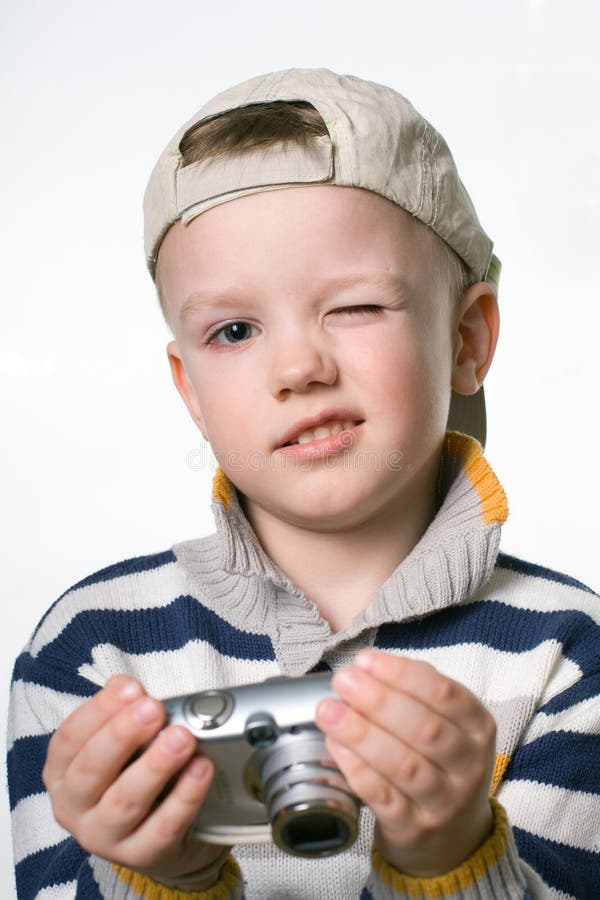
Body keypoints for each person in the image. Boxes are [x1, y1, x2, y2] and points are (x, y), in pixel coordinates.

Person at [7, 68, 598, 900]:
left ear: (466, 338)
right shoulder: (92, 654)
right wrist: (161, 874)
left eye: (353, 307)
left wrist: (453, 858)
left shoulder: (570, 658)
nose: (298, 367)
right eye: (235, 329)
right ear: (191, 392)